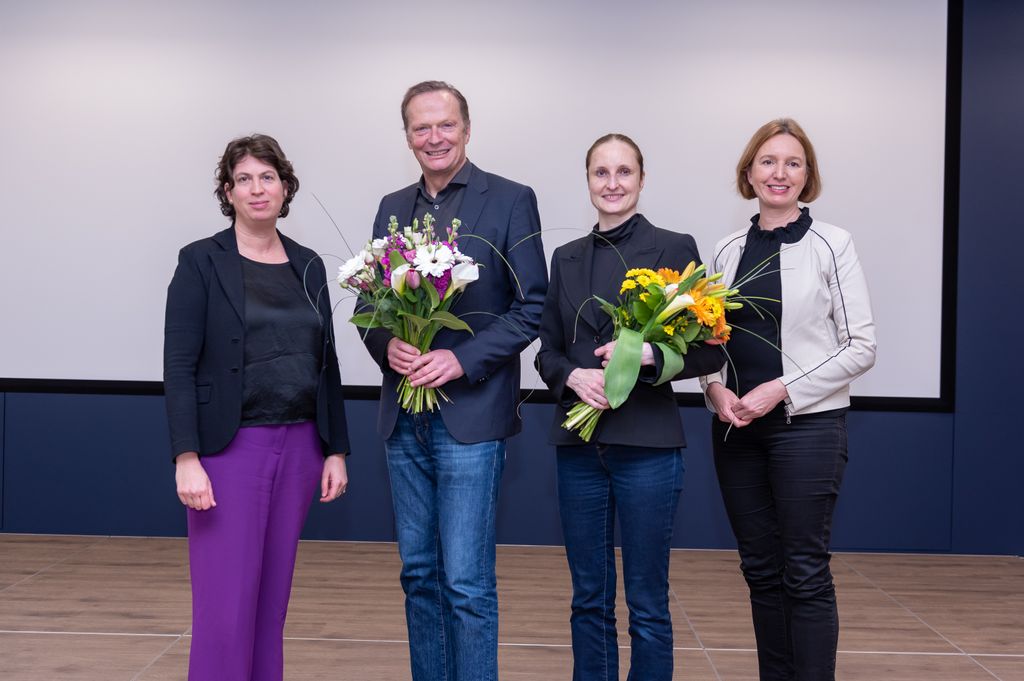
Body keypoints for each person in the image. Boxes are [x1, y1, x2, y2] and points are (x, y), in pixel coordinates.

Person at [362, 81, 547, 681]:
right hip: (403, 419)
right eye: (421, 128)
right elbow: (371, 305)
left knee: (465, 582)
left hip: (471, 416)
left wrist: (461, 361)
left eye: (445, 125)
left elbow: (533, 306)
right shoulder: (393, 206)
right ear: (407, 136)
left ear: (466, 129)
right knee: (418, 575)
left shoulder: (512, 199)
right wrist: (383, 344)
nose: (434, 138)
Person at [535, 133, 725, 681]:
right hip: (578, 448)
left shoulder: (673, 248)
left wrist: (649, 354)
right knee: (588, 599)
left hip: (648, 447)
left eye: (624, 172)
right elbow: (546, 350)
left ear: (642, 180)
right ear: (588, 181)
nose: (612, 183)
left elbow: (706, 350)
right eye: (601, 173)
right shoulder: (565, 258)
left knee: (647, 601)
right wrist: (571, 376)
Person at [164, 134, 350, 681]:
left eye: (267, 177)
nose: (257, 188)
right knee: (226, 609)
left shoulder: (311, 265)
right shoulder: (200, 261)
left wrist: (336, 448)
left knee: (271, 606)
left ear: (285, 187)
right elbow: (178, 364)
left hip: (298, 450)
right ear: (228, 192)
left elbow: (327, 365)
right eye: (243, 179)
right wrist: (185, 457)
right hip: (228, 452)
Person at [700, 119, 876, 680]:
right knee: (759, 569)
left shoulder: (833, 243)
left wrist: (781, 389)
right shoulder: (725, 250)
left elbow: (861, 346)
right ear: (749, 173)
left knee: (803, 569)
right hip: (737, 431)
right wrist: (715, 390)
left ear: (808, 177)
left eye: (793, 163)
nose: (780, 173)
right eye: (769, 161)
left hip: (809, 429)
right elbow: (706, 344)